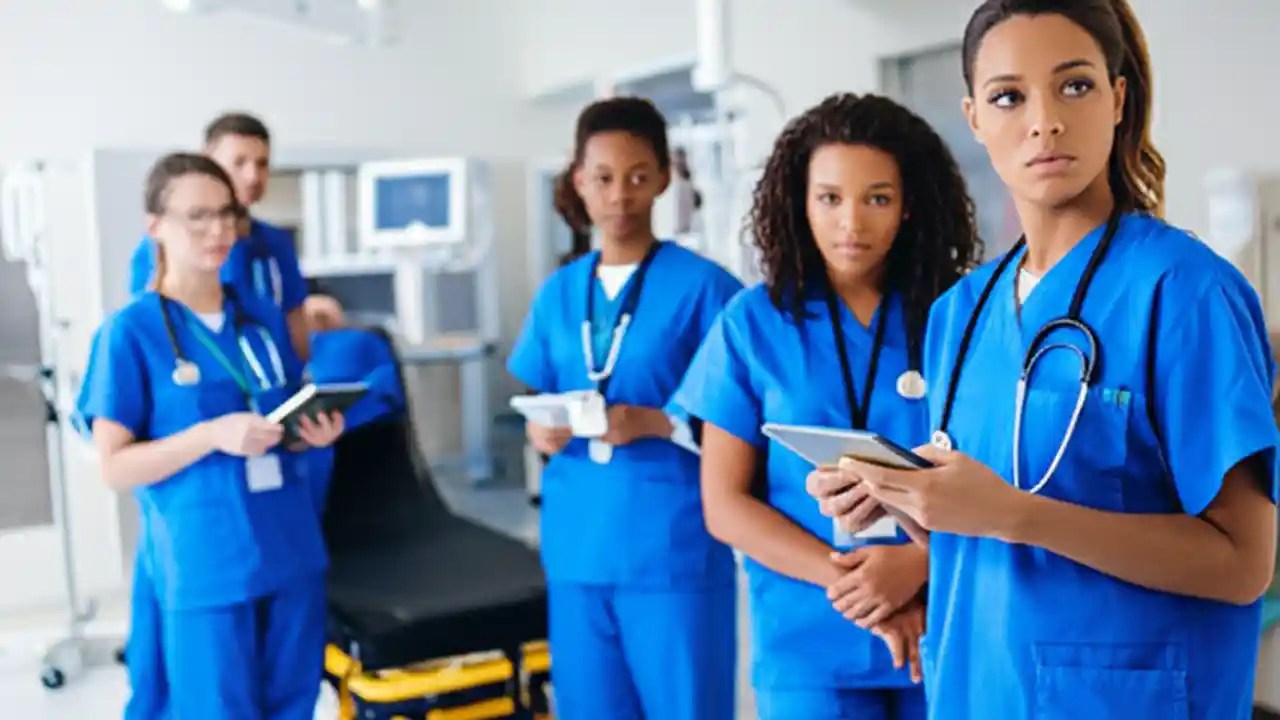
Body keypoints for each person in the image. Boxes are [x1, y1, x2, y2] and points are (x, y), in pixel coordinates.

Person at [809, 2, 1279, 718]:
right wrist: (906, 498)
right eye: (1008, 96)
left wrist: (1014, 514)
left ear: (1118, 99)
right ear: (973, 117)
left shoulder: (1185, 293)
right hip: (977, 688)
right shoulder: (959, 316)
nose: (1044, 121)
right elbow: (974, 535)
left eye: (1076, 86)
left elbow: (1243, 564)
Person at [672, 93, 982, 720]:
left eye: (877, 198)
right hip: (809, 642)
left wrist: (918, 567)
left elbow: (1011, 477)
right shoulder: (753, 324)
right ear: (799, 202)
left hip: (950, 619)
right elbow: (725, 505)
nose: (852, 224)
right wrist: (858, 585)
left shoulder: (964, 317)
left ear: (909, 204)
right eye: (830, 198)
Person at [76, 153, 343, 719]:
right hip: (206, 566)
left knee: (294, 703)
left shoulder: (263, 318)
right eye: (196, 216)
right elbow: (114, 467)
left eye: (225, 215)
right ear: (156, 227)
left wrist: (309, 433)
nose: (217, 230)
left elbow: (277, 421)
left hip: (289, 548)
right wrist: (209, 436)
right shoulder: (130, 333)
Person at [507, 96, 743, 720]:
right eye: (604, 178)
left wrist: (659, 421)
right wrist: (543, 433)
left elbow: (745, 412)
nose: (620, 196)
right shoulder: (559, 292)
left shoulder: (705, 288)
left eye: (639, 177)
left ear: (664, 177)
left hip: (671, 548)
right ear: (579, 181)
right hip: (578, 548)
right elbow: (536, 395)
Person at [127, 112, 310, 361]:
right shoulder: (165, 249)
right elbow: (153, 328)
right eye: (239, 162)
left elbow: (295, 326)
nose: (252, 176)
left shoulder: (274, 244)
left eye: (262, 164)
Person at [299, 292, 406, 514]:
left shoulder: (295, 349)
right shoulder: (365, 340)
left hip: (317, 441)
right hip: (368, 440)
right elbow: (389, 387)